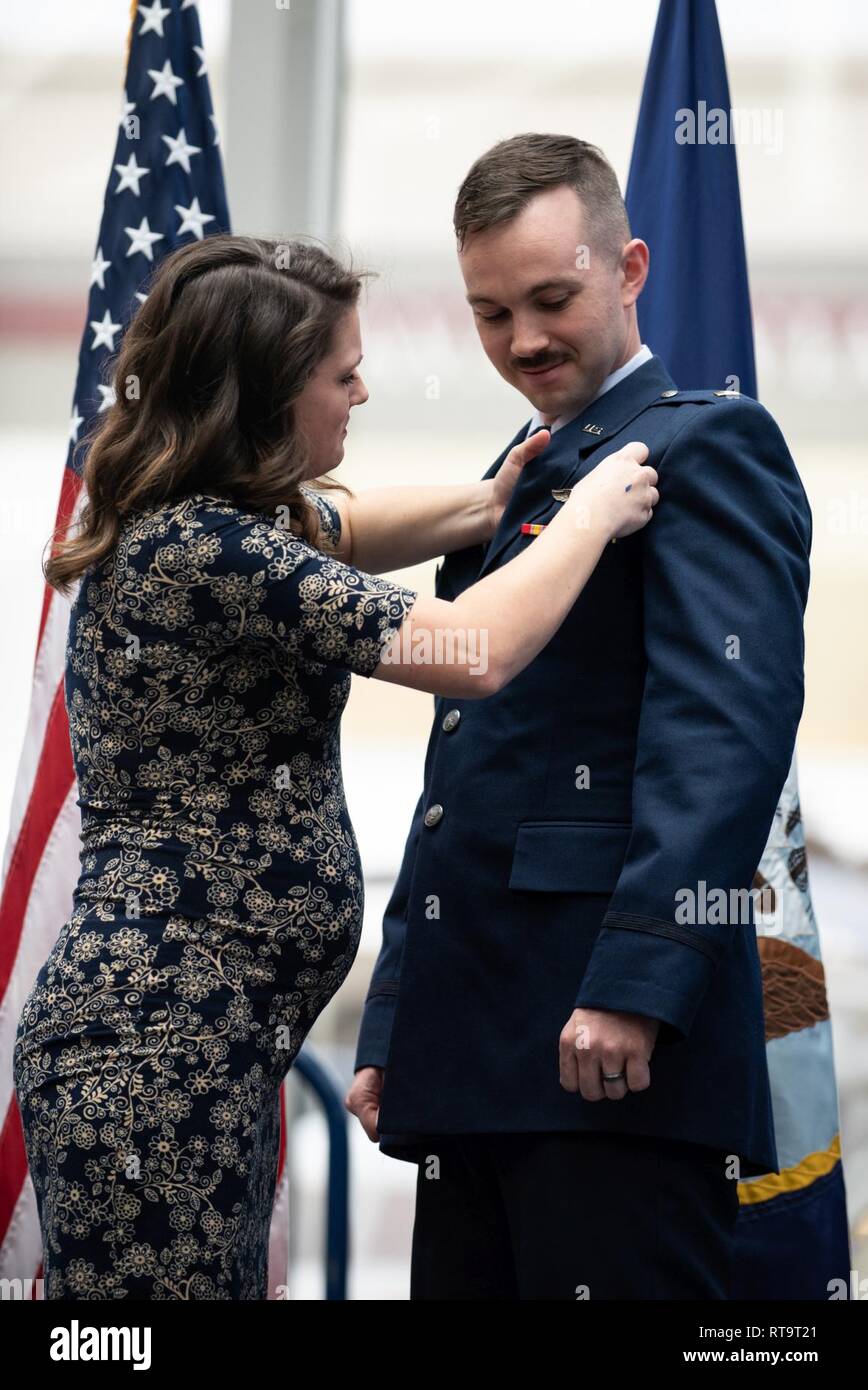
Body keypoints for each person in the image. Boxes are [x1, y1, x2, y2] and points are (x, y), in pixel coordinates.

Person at [12, 233, 656, 1300]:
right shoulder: (209, 551)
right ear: (269, 393)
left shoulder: (234, 522)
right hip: (151, 1055)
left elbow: (345, 528)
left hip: (196, 1047)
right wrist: (586, 515)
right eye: (341, 372)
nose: (362, 390)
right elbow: (471, 650)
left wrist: (494, 503)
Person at [347, 133, 812, 1301]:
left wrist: (635, 984)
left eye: (551, 298)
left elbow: (724, 737)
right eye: (490, 313)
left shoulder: (706, 443)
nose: (523, 341)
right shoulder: (527, 464)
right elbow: (466, 773)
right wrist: (395, 1012)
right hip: (477, 1048)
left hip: (611, 1048)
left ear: (631, 268)